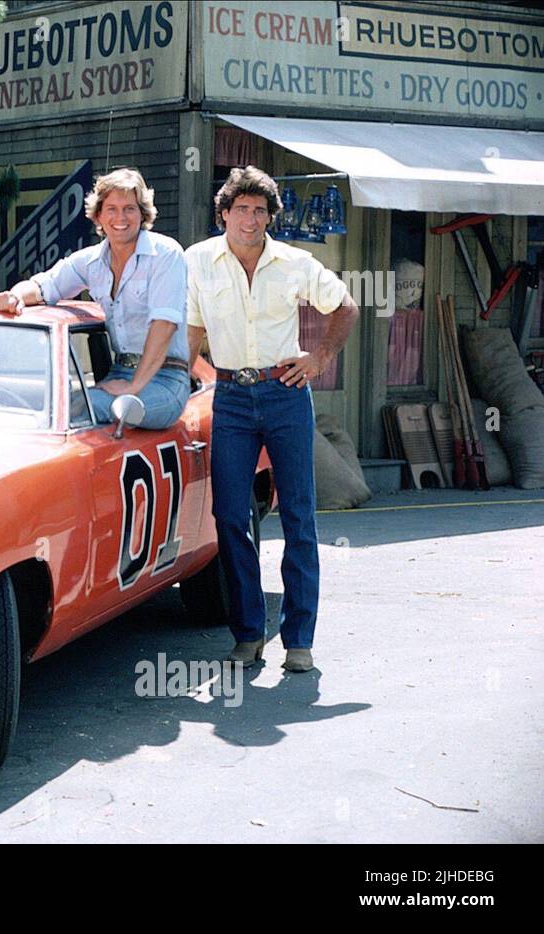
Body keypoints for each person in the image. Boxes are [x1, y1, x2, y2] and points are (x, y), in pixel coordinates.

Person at [185, 165, 360, 673]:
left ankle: (300, 639)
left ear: (269, 218)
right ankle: (248, 634)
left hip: (285, 394)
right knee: (231, 517)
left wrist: (318, 360)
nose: (250, 218)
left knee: (299, 516)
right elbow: (192, 330)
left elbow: (345, 307)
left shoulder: (294, 263)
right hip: (232, 401)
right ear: (224, 213)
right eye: (241, 209)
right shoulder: (199, 261)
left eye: (260, 210)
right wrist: (190, 381)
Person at [0, 167, 191, 431]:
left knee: (79, 409)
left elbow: (164, 325)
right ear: (98, 214)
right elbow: (44, 285)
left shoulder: (166, 254)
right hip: (119, 371)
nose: (120, 217)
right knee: (56, 409)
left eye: (129, 208)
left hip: (165, 380)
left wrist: (133, 387)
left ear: (142, 213)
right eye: (111, 208)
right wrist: (15, 296)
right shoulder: (90, 261)